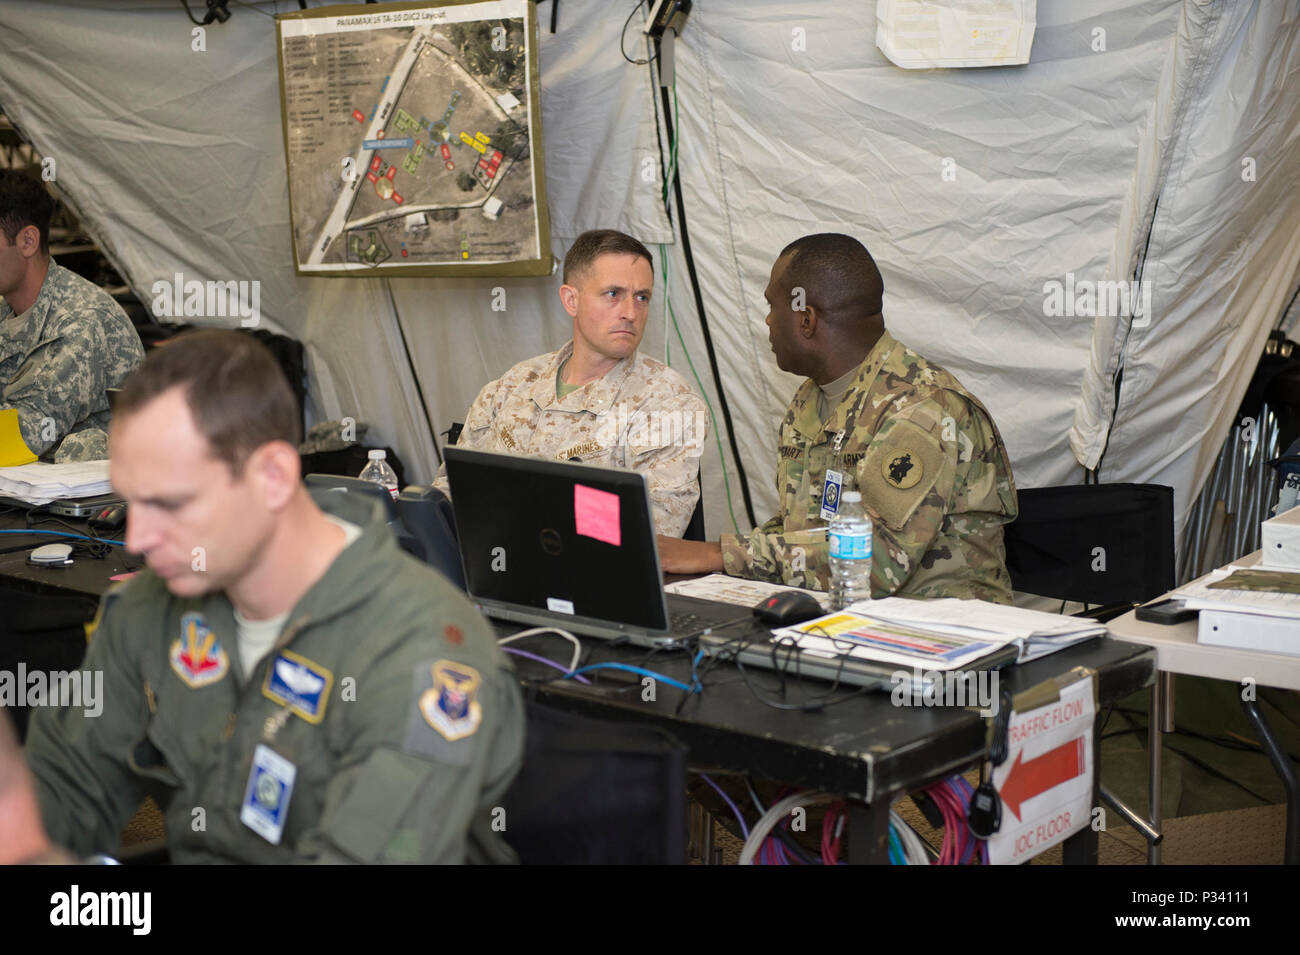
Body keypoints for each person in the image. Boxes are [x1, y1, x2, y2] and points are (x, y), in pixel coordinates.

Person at [23, 329, 525, 863]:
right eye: (130, 501)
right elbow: (58, 794)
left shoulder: (422, 657)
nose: (137, 539)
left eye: (168, 503)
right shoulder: (150, 610)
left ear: (272, 478)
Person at [659, 233, 1018, 602]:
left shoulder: (924, 409)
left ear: (806, 320)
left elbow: (878, 561)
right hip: (849, 618)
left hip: (944, 634)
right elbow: (804, 527)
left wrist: (720, 555)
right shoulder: (812, 400)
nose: (767, 320)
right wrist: (711, 562)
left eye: (772, 306)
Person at [433, 229, 708, 537]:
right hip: (488, 570)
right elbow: (449, 496)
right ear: (571, 300)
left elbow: (653, 535)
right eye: (613, 294)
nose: (631, 313)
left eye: (642, 297)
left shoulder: (669, 405)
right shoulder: (512, 386)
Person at [0, 168, 144, 461]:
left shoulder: (82, 320)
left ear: (27, 241)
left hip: (97, 501)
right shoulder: (8, 311)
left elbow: (23, 436)